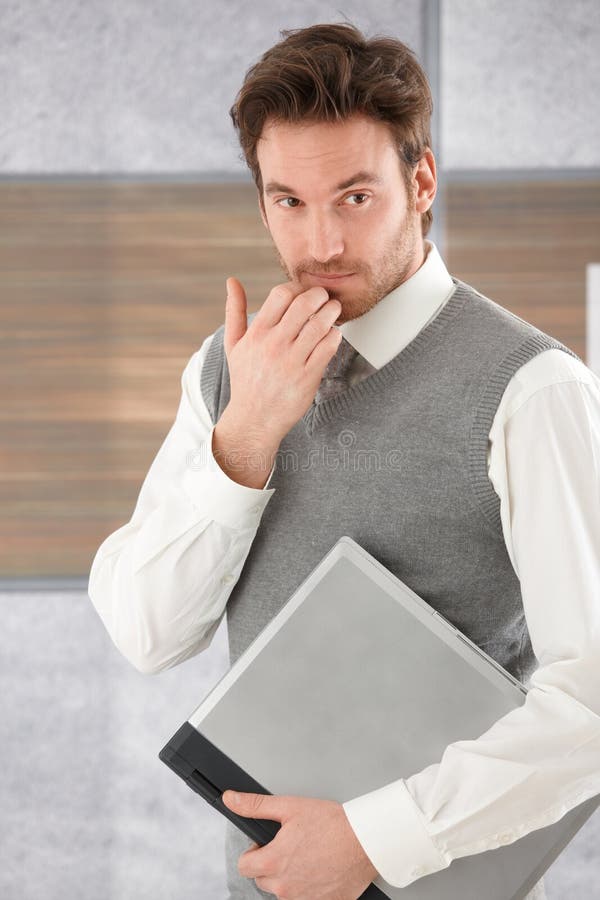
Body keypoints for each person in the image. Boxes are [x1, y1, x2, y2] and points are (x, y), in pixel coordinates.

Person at [88, 21, 600, 900]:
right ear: (261, 204)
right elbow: (148, 634)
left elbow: (594, 701)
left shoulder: (534, 388)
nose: (320, 243)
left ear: (422, 182)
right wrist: (245, 437)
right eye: (289, 201)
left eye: (355, 197)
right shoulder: (226, 371)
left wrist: (374, 838)